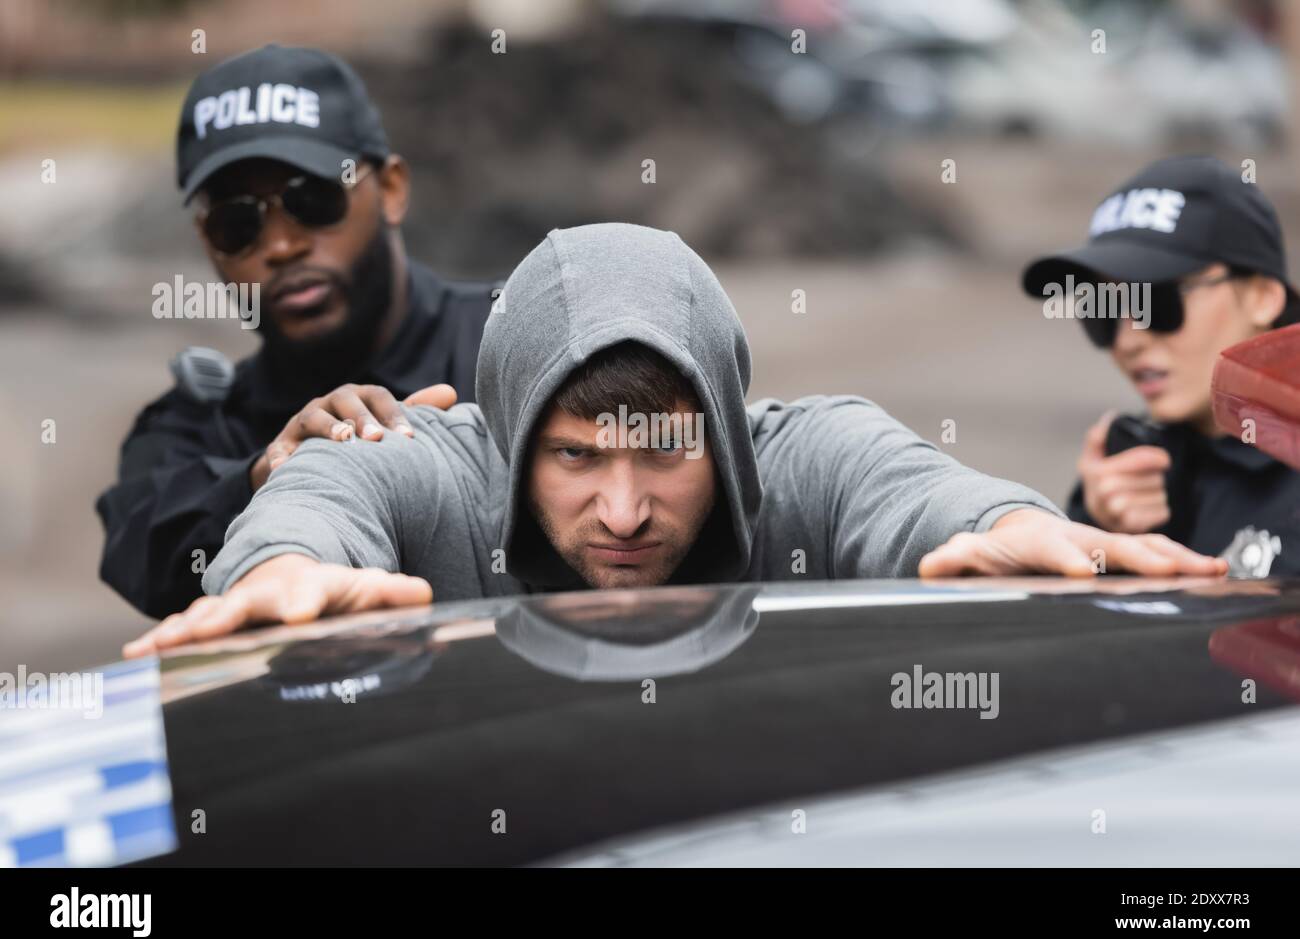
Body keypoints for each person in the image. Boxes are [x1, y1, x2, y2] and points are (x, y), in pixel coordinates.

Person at [124, 223, 1225, 658]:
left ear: (728, 436)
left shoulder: (802, 453)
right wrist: (278, 568)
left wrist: (1008, 522)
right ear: (512, 440)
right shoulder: (437, 461)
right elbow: (325, 497)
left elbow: (910, 488)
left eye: (664, 451)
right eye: (573, 457)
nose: (621, 512)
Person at [96, 45, 491, 618]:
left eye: (314, 199)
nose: (282, 247)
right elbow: (142, 541)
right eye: (239, 223)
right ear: (208, 243)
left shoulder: (508, 341)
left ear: (392, 190)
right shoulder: (199, 422)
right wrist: (274, 472)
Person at [1022, 156, 1300, 577]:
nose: (1129, 340)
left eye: (1155, 302)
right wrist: (1102, 537)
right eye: (1103, 310)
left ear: (1262, 296)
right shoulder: (1135, 465)